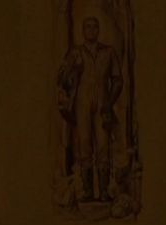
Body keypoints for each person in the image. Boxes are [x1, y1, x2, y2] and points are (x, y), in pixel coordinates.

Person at [57, 16, 124, 202]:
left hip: (103, 102)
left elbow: (118, 80)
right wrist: (73, 70)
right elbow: (61, 79)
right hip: (82, 103)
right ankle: (87, 190)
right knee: (84, 145)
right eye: (88, 27)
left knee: (103, 145)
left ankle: (103, 191)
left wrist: (109, 102)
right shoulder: (75, 53)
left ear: (99, 30)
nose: (91, 30)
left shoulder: (108, 52)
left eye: (95, 27)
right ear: (83, 31)